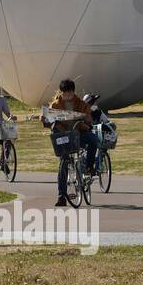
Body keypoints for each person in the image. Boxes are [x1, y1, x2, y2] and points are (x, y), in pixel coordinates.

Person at [43, 79, 97, 207]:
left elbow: (89, 118)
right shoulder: (55, 105)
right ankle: (61, 196)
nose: (67, 96)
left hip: (79, 132)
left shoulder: (81, 103)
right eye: (65, 94)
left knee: (94, 140)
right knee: (64, 163)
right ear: (61, 93)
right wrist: (45, 119)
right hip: (64, 136)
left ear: (73, 92)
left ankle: (89, 167)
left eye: (70, 93)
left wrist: (84, 118)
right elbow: (48, 122)